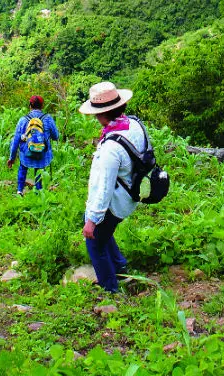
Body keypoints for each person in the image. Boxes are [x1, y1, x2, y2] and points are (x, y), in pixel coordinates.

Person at [78, 81, 143, 293]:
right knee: (105, 230)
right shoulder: (133, 125)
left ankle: (110, 288)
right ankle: (120, 265)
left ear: (101, 113)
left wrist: (92, 220)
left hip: (115, 201)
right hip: (130, 192)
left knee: (94, 242)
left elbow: (104, 188)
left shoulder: (111, 148)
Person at [7, 95, 60, 195]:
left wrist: (12, 158)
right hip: (42, 153)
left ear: (30, 105)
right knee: (39, 169)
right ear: (42, 106)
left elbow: (16, 140)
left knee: (23, 167)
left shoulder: (23, 120)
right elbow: (56, 136)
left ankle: (20, 190)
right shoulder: (48, 119)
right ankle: (38, 191)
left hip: (26, 153)